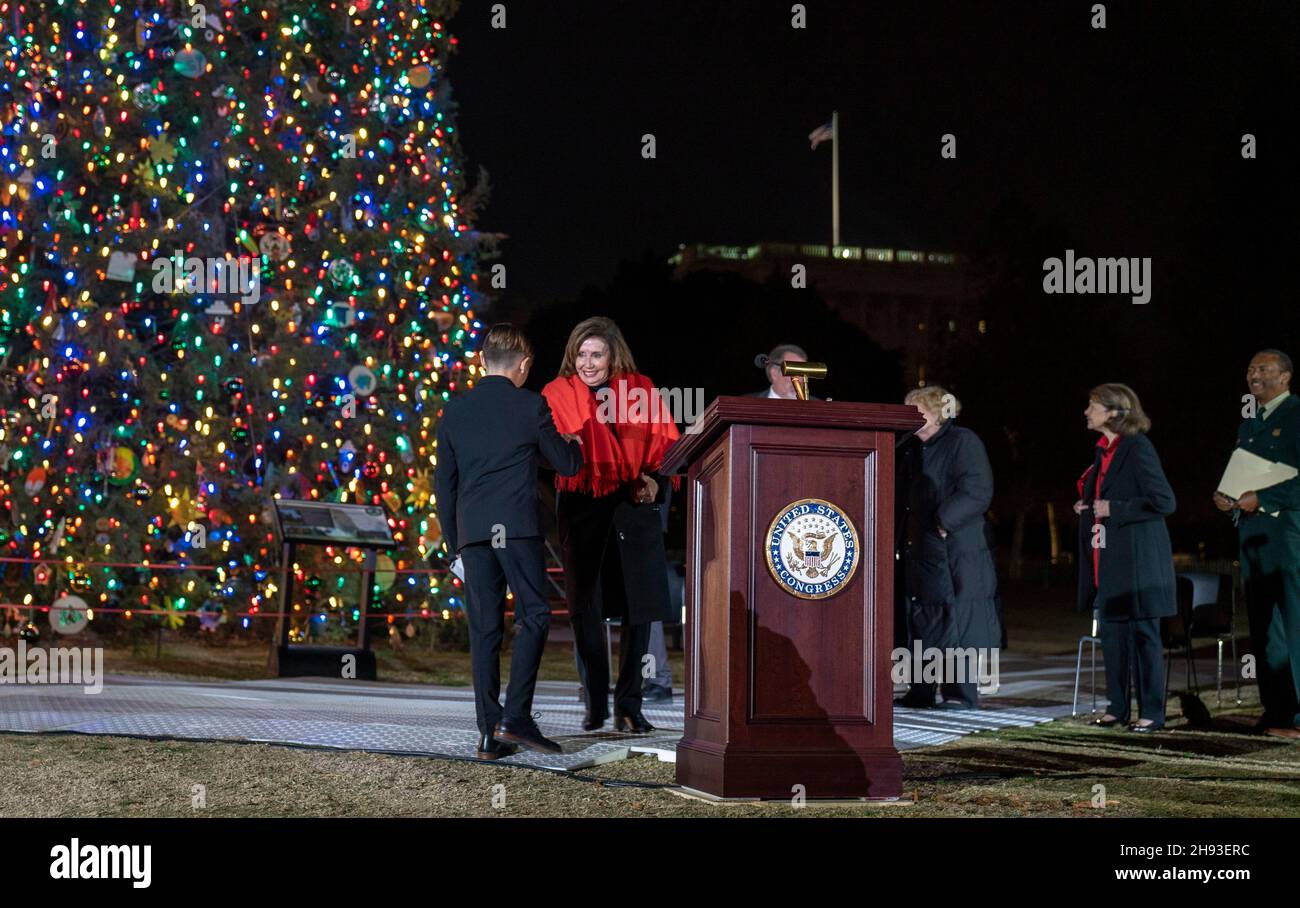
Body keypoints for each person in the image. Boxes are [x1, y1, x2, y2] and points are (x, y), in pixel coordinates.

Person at [433, 324, 583, 759]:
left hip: (472, 534)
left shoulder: (455, 411)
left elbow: (444, 486)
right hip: (516, 528)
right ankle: (515, 717)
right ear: (525, 364)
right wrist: (573, 442)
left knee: (484, 630)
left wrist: (455, 545)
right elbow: (567, 465)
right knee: (534, 616)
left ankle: (488, 734)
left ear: (482, 361)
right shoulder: (531, 405)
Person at [542, 317, 680, 733]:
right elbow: (547, 454)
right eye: (580, 354)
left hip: (632, 505)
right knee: (586, 608)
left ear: (612, 357)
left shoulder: (641, 390)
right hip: (582, 506)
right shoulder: (556, 393)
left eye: (596, 354)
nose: (587, 363)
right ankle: (594, 701)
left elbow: (664, 447)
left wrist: (655, 481)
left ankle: (629, 706)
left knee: (639, 611)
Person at [1074, 383, 1176, 732]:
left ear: (1114, 412)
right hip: (1109, 564)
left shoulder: (1136, 446)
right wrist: (1087, 507)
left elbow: (1163, 501)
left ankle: (1152, 713)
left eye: (1093, 406)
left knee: (1144, 639)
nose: (1086, 412)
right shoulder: (1103, 451)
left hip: (1138, 566)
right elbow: (1102, 496)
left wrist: (1114, 508)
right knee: (1113, 639)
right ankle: (1117, 708)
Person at [896, 386, 1001, 709]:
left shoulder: (962, 441)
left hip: (954, 548)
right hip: (919, 547)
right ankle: (920, 689)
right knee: (921, 617)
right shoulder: (909, 447)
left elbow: (977, 490)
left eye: (916, 409)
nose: (909, 415)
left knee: (955, 619)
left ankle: (959, 694)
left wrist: (943, 521)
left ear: (937, 413)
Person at [1214, 349, 1300, 739]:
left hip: (1288, 537)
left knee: (1293, 624)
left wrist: (1264, 498)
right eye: (1250, 368)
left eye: (1263, 368)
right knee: (1265, 628)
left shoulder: (1295, 415)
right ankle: (1278, 712)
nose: (1253, 374)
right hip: (1253, 538)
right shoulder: (1250, 423)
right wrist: (1229, 498)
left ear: (1285, 376)